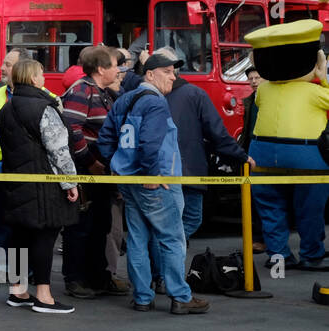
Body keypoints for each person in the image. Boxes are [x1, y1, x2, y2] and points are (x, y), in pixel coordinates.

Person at [97, 50, 208, 315]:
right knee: (172, 239)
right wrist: (152, 174)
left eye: (174, 72)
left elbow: (105, 139)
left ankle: (142, 297)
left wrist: (118, 166)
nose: (173, 77)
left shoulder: (124, 100)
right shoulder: (156, 103)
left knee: (137, 239)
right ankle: (180, 296)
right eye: (167, 72)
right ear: (149, 74)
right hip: (156, 183)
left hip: (130, 182)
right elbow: (149, 143)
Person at [244, 19, 329, 270]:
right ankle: (311, 255)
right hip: (307, 156)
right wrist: (323, 78)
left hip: (262, 154)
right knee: (310, 208)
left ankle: (279, 256)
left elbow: (259, 104)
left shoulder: (263, 91)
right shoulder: (314, 92)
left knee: (270, 207)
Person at [0, 58, 80, 314]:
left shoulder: (6, 109)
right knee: (45, 235)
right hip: (44, 184)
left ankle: (17, 290)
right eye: (41, 74)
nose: (44, 78)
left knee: (19, 236)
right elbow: (59, 150)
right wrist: (70, 182)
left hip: (15, 182)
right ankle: (44, 296)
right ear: (33, 78)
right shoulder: (44, 108)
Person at [60, 45, 127, 299]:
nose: (119, 70)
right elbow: (72, 129)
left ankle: (99, 277)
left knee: (101, 225)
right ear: (100, 69)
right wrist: (90, 162)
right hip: (86, 171)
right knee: (81, 227)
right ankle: (76, 279)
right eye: (115, 65)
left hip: (101, 171)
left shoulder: (104, 93)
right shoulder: (81, 91)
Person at [166, 61, 250, 240]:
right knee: (191, 218)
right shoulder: (195, 94)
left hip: (157, 171)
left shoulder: (147, 95)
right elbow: (217, 133)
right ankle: (166, 252)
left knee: (160, 223)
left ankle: (163, 251)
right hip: (189, 170)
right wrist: (241, 156)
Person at [0, 48, 23, 275]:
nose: (2, 68)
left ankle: (22, 269)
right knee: (0, 220)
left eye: (8, 64)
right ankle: (0, 266)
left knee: (23, 222)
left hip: (25, 170)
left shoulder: (43, 95)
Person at [238, 65, 266, 253]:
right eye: (251, 79)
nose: (254, 81)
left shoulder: (270, 100)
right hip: (251, 153)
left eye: (257, 77)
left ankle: (263, 239)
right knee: (254, 198)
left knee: (265, 197)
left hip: (267, 153)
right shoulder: (249, 100)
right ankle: (258, 238)